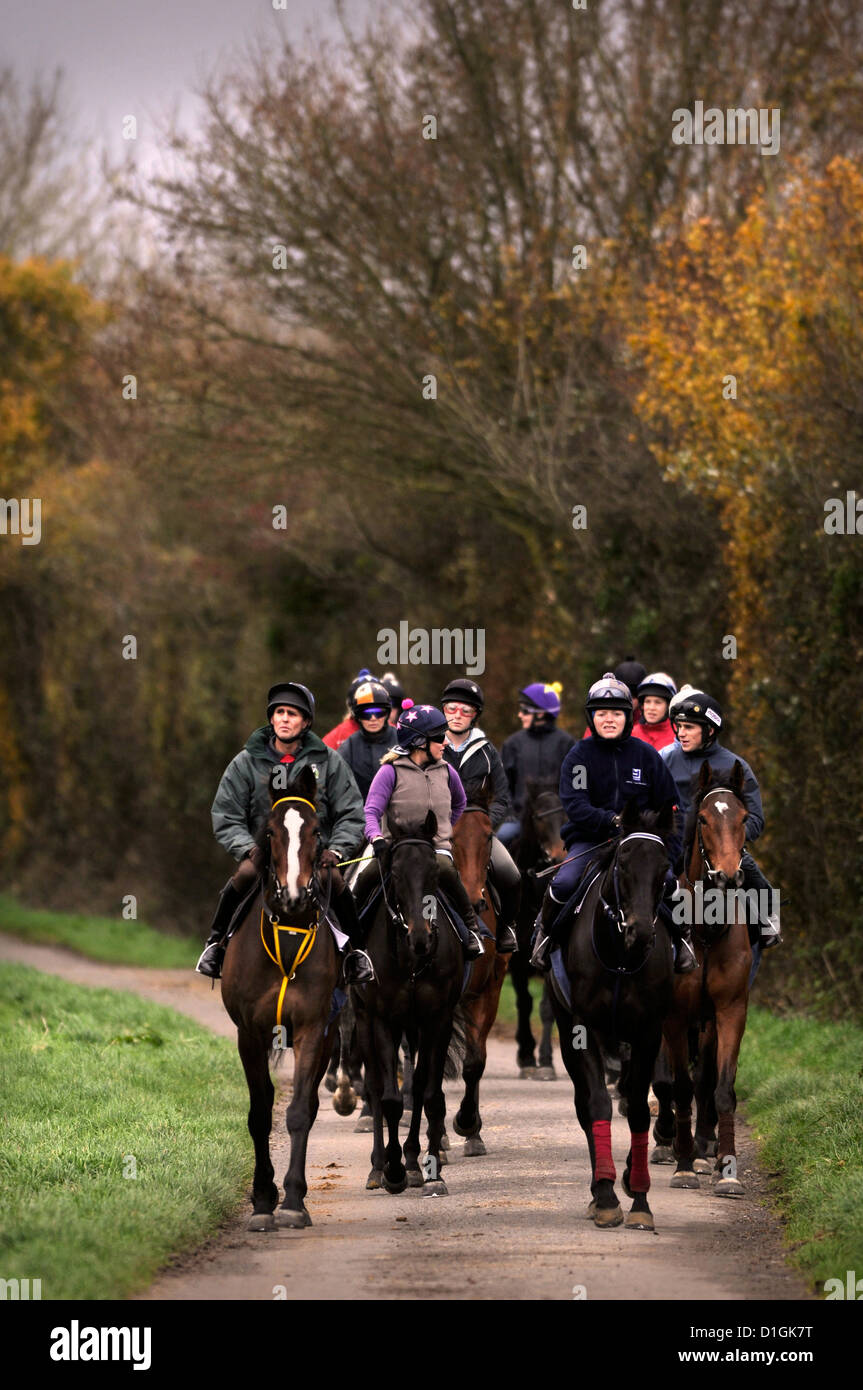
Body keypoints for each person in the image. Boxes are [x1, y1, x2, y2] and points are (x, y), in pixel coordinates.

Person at [196, 681, 373, 984]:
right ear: (271, 718)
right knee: (244, 876)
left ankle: (356, 953)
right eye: (279, 712)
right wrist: (246, 848)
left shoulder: (330, 762)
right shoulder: (246, 762)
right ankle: (215, 945)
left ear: (305, 722)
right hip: (265, 855)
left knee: (335, 881)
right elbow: (226, 814)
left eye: (292, 714)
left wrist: (336, 850)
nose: (284, 719)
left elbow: (352, 815)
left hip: (315, 858)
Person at [530, 673, 696, 974]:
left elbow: (672, 807)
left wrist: (668, 856)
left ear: (628, 717)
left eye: (616, 713)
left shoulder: (647, 756)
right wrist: (611, 820)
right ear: (591, 717)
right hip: (592, 841)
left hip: (642, 845)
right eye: (601, 713)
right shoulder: (579, 757)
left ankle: (683, 942)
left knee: (670, 885)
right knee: (565, 882)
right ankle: (545, 934)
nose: (608, 719)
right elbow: (576, 804)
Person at [356, 704, 484, 961]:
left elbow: (458, 804)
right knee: (366, 878)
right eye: (439, 737)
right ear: (418, 742)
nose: (445, 742)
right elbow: (370, 812)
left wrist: (443, 829)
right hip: (394, 847)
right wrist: (377, 838)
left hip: (434, 848)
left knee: (446, 870)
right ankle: (353, 941)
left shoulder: (448, 772)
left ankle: (471, 930)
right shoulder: (389, 772)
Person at [661, 690, 781, 954]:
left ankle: (767, 919)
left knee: (755, 879)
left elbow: (757, 820)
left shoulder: (737, 765)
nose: (681, 733)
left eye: (689, 728)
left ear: (710, 731)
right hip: (674, 844)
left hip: (720, 844)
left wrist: (728, 834)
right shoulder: (664, 760)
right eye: (679, 727)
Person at [440, 677, 520, 953]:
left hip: (477, 833)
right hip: (439, 832)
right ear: (444, 711)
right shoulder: (431, 746)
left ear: (475, 715)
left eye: (465, 710)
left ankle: (507, 927)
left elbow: (503, 798)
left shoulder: (487, 751)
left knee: (511, 873)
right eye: (451, 709)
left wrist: (485, 825)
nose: (457, 715)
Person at [499, 682, 575, 849]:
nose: (520, 715)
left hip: (558, 819)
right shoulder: (512, 744)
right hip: (520, 818)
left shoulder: (567, 743)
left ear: (540, 714)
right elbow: (502, 785)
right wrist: (509, 813)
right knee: (501, 837)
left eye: (525, 711)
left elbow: (574, 785)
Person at [338, 677, 399, 798]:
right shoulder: (347, 748)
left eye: (378, 712)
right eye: (366, 713)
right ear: (357, 717)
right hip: (360, 812)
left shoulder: (402, 739)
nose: (373, 718)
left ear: (387, 713)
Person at [323, 668, 376, 749]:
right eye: (364, 707)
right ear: (351, 706)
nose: (372, 715)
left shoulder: (395, 732)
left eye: (378, 707)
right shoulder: (337, 736)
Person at [632, 671, 678, 751]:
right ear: (642, 705)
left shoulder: (679, 735)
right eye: (648, 702)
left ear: (668, 706)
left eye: (658, 702)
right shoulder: (632, 734)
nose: (652, 708)